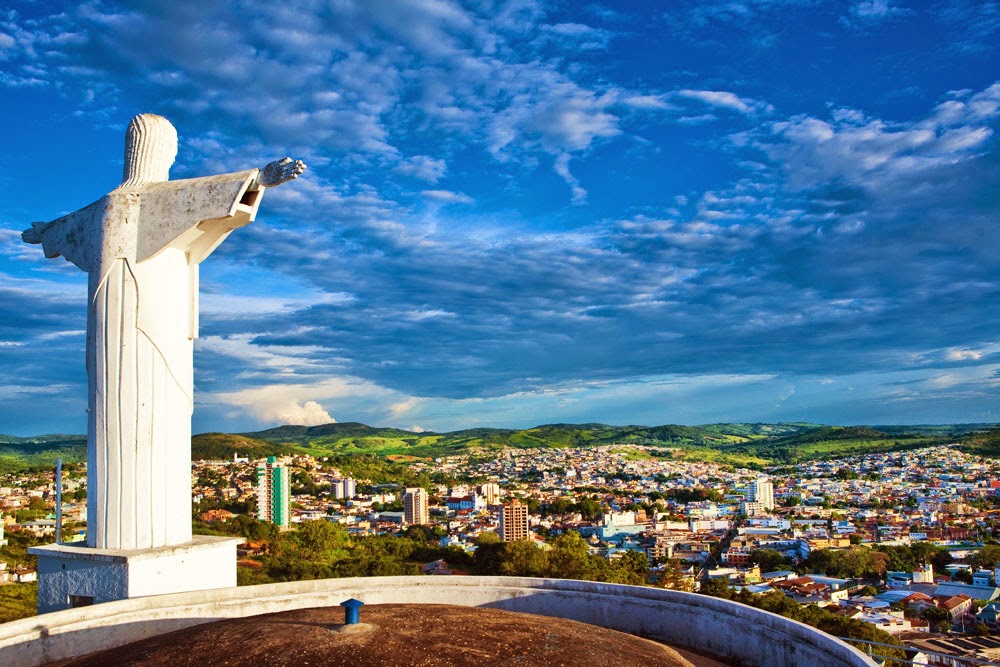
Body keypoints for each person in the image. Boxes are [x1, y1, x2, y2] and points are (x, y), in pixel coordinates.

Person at [23, 114, 305, 550]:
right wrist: (261, 178)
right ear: (163, 150)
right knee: (160, 401)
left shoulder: (99, 209)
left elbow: (62, 228)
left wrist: (44, 232)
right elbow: (214, 192)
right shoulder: (160, 198)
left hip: (107, 331)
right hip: (155, 324)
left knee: (120, 406)